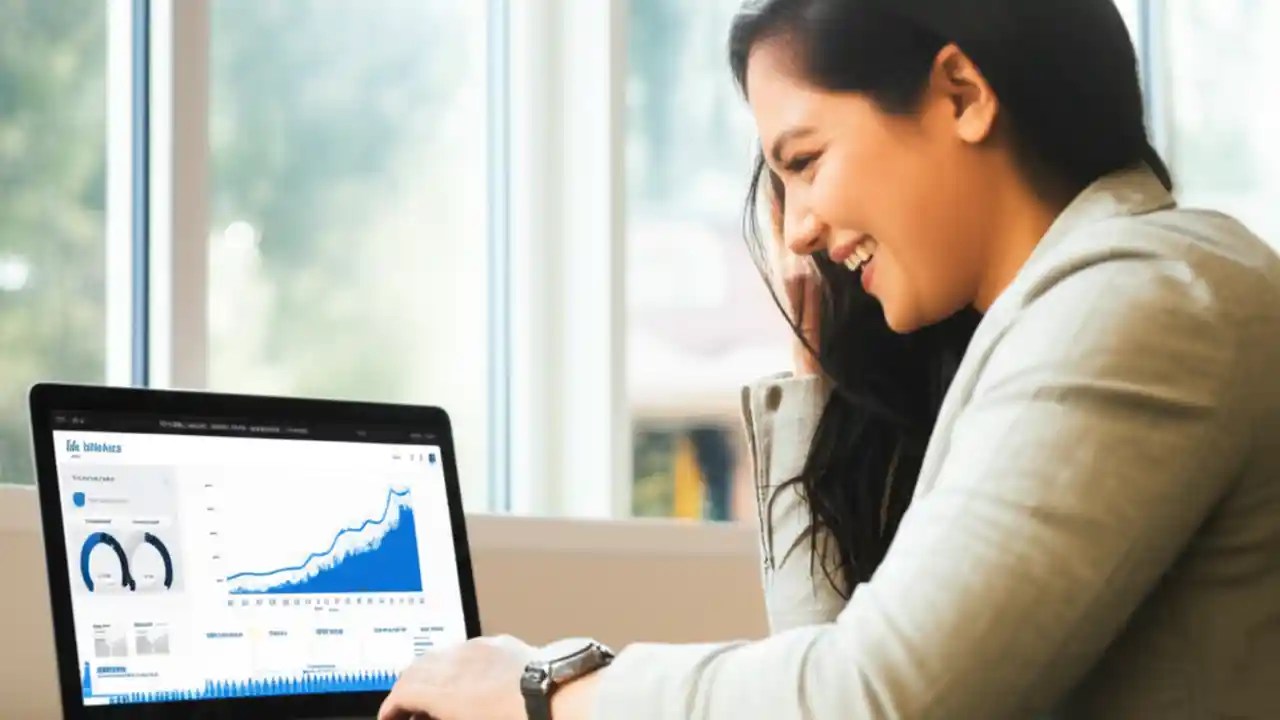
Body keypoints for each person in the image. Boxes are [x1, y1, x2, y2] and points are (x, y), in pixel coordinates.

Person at [379, 0, 1280, 718]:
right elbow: (852, 673)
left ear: (962, 93)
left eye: (804, 161)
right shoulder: (1059, 319)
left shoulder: (1147, 297)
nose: (798, 228)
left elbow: (875, 696)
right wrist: (817, 379)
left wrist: (542, 692)